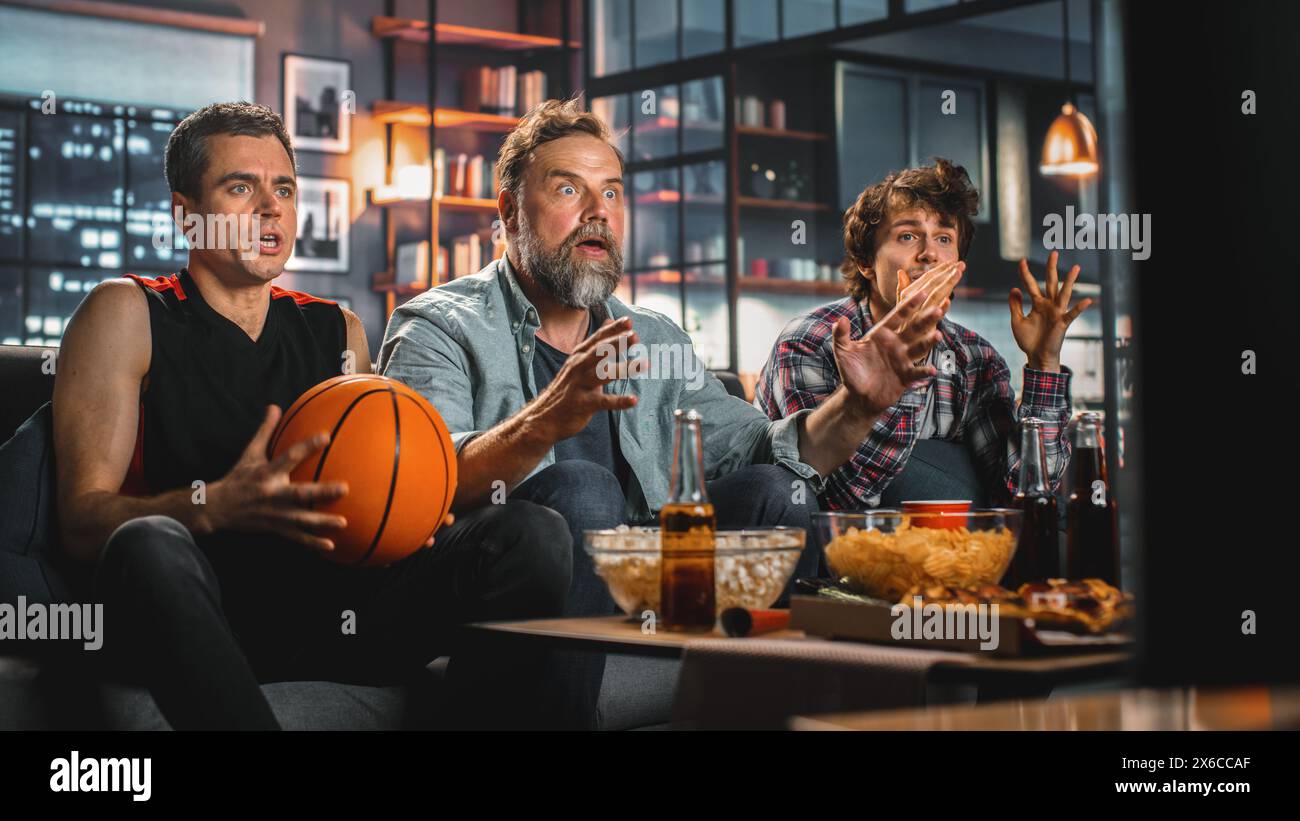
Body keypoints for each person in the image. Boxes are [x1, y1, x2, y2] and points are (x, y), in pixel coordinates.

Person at [379, 98, 954, 727]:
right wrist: (547, 418)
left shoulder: (654, 337)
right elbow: (424, 483)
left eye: (613, 193)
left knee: (777, 490)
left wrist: (856, 408)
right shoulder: (438, 323)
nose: (598, 212)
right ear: (509, 209)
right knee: (582, 488)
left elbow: (761, 446)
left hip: (642, 577)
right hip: (497, 574)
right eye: (569, 188)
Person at [52, 101, 569, 730]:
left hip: (331, 617)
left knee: (531, 533)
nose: (270, 208)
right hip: (194, 610)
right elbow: (81, 523)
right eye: (240, 186)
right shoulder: (127, 311)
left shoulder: (336, 330)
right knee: (146, 544)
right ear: (186, 215)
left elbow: (373, 480)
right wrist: (211, 506)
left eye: (284, 188)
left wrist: (413, 508)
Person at [757, 158, 1092, 511]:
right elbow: (840, 497)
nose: (929, 253)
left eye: (944, 238)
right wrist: (907, 359)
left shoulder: (977, 359)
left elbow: (1023, 493)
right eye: (907, 236)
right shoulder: (809, 341)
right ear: (866, 262)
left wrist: (1044, 364)